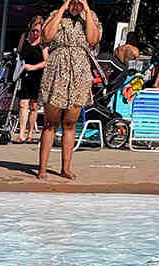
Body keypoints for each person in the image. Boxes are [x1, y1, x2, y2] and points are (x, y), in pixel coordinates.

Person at [38, 0, 101, 181]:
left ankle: (65, 168)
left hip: (80, 72)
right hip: (57, 70)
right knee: (50, 123)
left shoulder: (90, 16)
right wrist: (63, 8)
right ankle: (42, 167)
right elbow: (46, 37)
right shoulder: (55, 14)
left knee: (70, 123)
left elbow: (93, 39)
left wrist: (87, 9)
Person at [15, 17, 48, 142]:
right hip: (25, 74)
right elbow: (19, 53)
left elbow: (47, 62)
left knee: (34, 106)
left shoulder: (43, 43)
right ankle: (22, 133)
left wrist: (33, 67)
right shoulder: (24, 38)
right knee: (23, 104)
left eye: (38, 31)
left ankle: (30, 133)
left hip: (38, 75)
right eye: (33, 31)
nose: (35, 34)